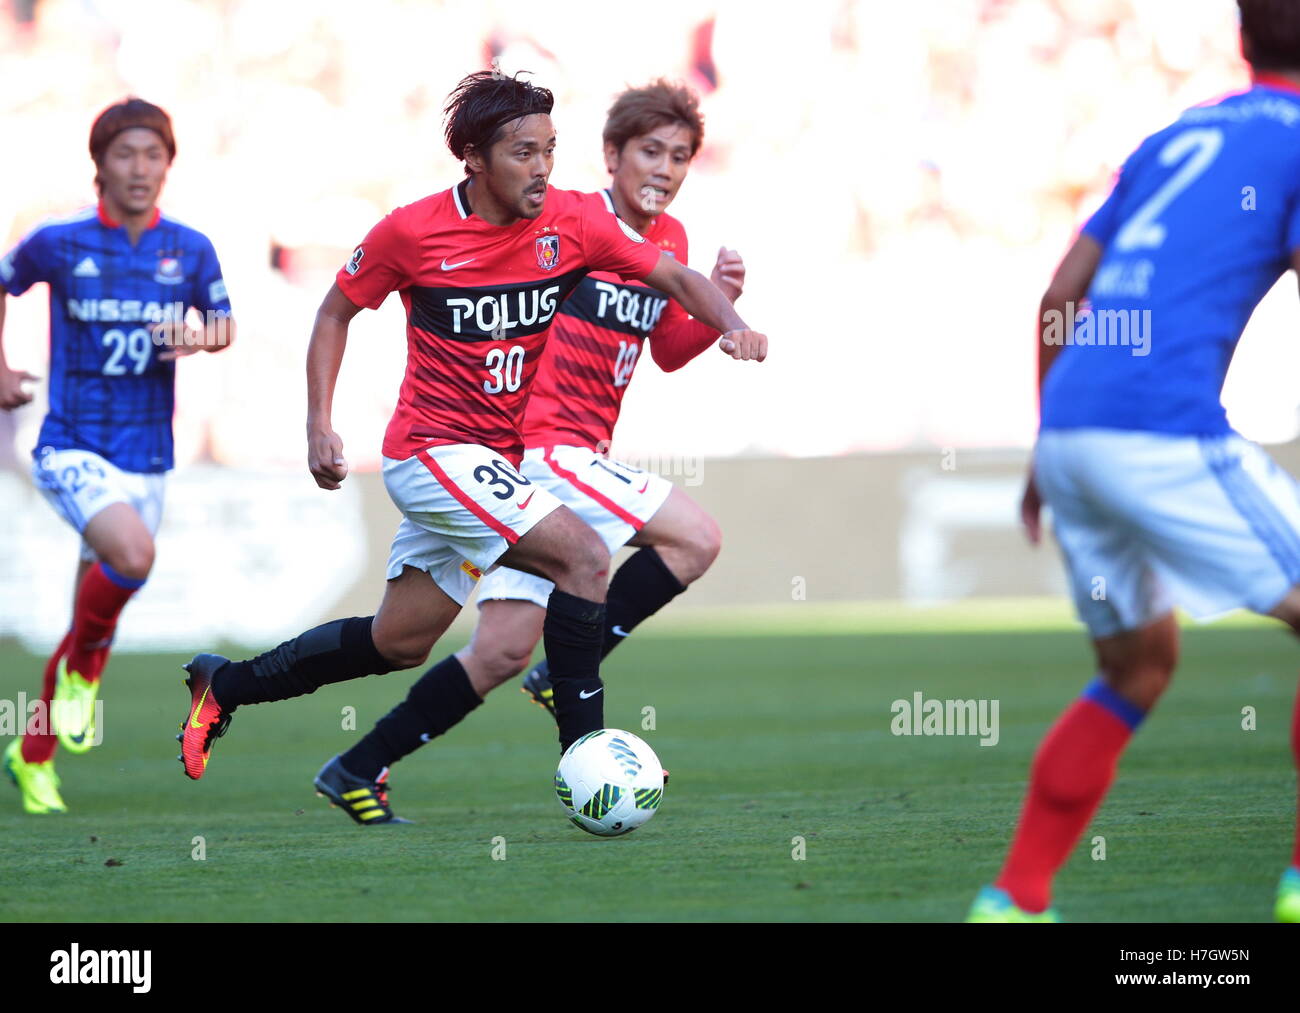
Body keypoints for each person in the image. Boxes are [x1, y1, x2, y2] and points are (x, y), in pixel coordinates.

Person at [176, 71, 767, 826]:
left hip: (496, 460)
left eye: (551, 150)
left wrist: (732, 323)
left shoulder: (574, 222)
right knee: (584, 556)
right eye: (525, 152)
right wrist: (319, 423)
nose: (544, 167)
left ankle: (226, 686)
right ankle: (586, 756)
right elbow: (334, 313)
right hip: (430, 453)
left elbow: (676, 277)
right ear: (476, 160)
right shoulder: (410, 232)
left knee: (400, 641)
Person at [968, 0, 1300, 923]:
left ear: (1243, 38)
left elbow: (1059, 292)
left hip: (1075, 432)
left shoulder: (1176, 137)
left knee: (1137, 665)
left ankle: (1015, 898)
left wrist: (1048, 446)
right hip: (1162, 431)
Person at [0, 98, 235, 814]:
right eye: (126, 154)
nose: (140, 168)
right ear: (99, 163)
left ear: (168, 164)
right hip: (71, 443)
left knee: (90, 609)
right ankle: (85, 674)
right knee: (132, 557)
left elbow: (224, 323)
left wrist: (201, 338)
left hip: (147, 456)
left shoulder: (189, 248)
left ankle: (32, 752)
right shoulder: (58, 242)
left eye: (153, 155)